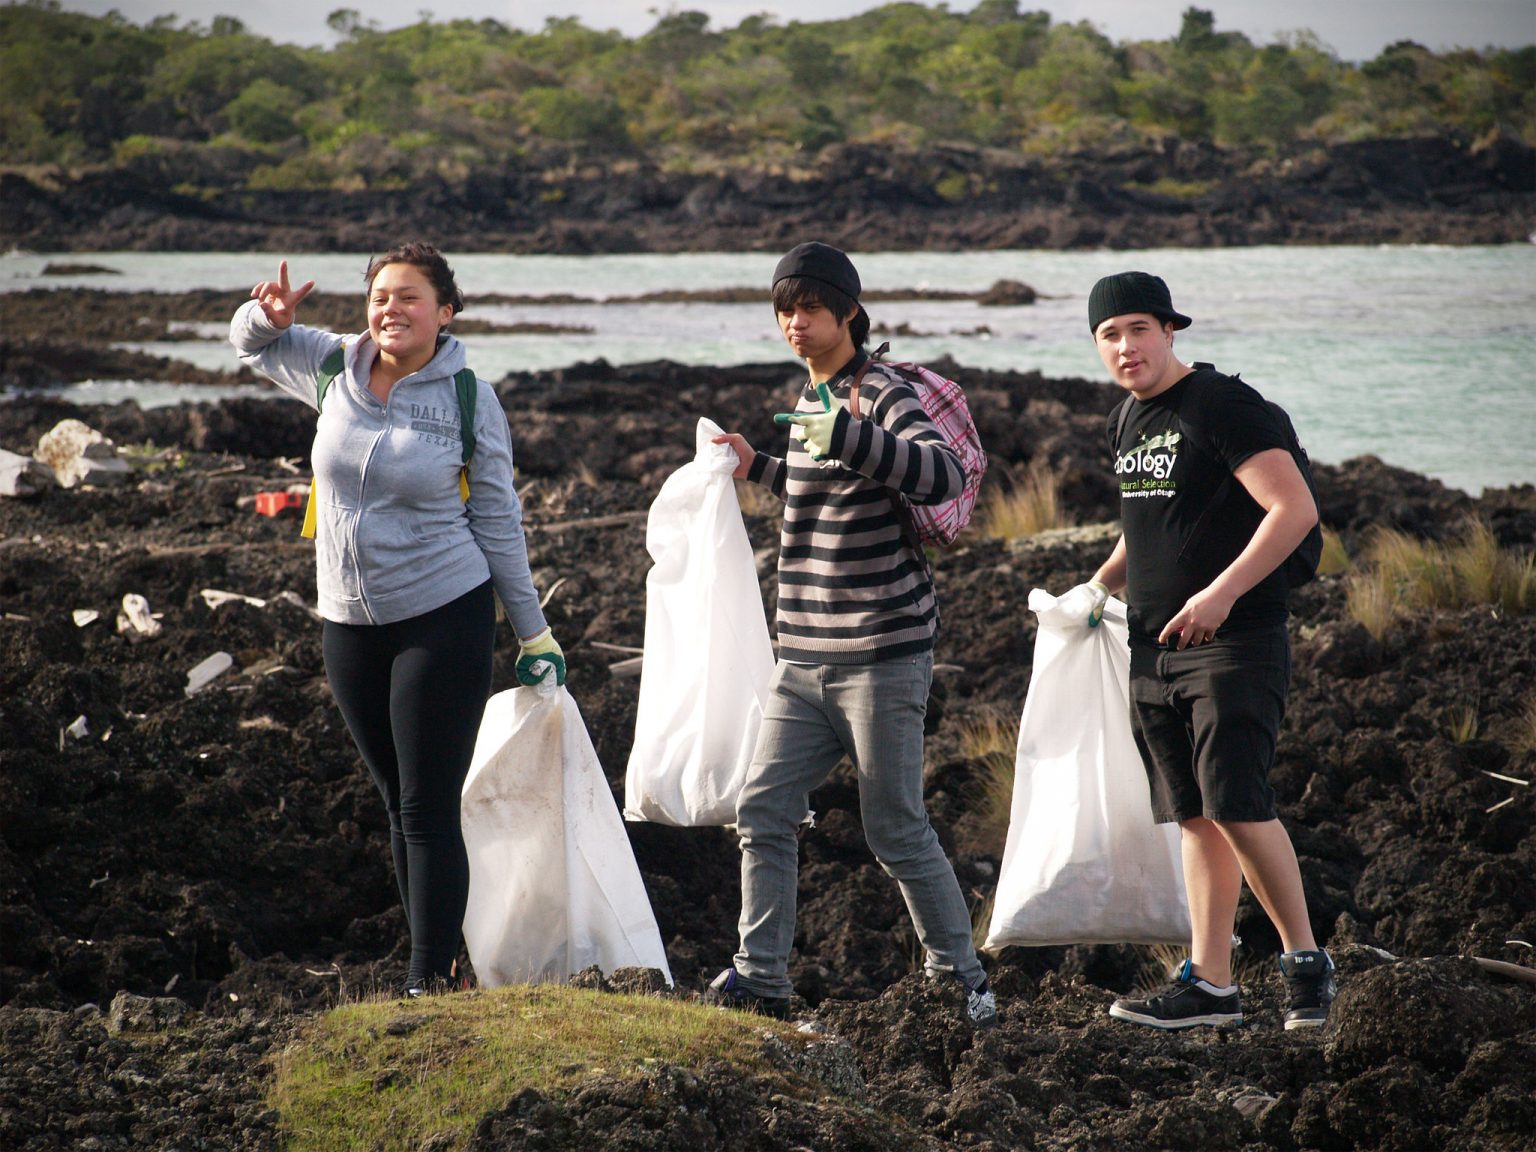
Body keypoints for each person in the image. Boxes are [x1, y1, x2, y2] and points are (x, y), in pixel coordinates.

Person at [229, 244, 565, 997]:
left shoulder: (471, 401)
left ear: (445, 312)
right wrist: (266, 317)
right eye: (380, 296)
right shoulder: (332, 365)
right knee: (394, 802)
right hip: (347, 621)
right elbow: (247, 345)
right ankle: (440, 968)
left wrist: (533, 631)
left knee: (425, 804)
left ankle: (427, 978)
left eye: (410, 297)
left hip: (442, 613)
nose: (391, 309)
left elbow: (499, 521)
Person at [706, 241, 996, 1028]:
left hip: (881, 656)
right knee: (763, 810)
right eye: (785, 311)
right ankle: (761, 977)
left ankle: (963, 984)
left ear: (849, 314)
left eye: (810, 309)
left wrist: (850, 435)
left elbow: (941, 473)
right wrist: (759, 465)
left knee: (895, 828)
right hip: (801, 658)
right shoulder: (814, 396)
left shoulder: (880, 392)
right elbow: (826, 490)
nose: (795, 324)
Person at [1072, 271, 1335, 1031]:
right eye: (1109, 334)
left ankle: (1306, 964)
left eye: (1139, 329)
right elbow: (1152, 522)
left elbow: (1292, 509)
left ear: (1169, 331)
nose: (1126, 346)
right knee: (1193, 815)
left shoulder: (1220, 404)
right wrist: (1096, 586)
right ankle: (1211, 983)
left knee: (1238, 806)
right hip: (1152, 646)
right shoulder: (1127, 419)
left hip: (1234, 641)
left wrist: (1220, 594)